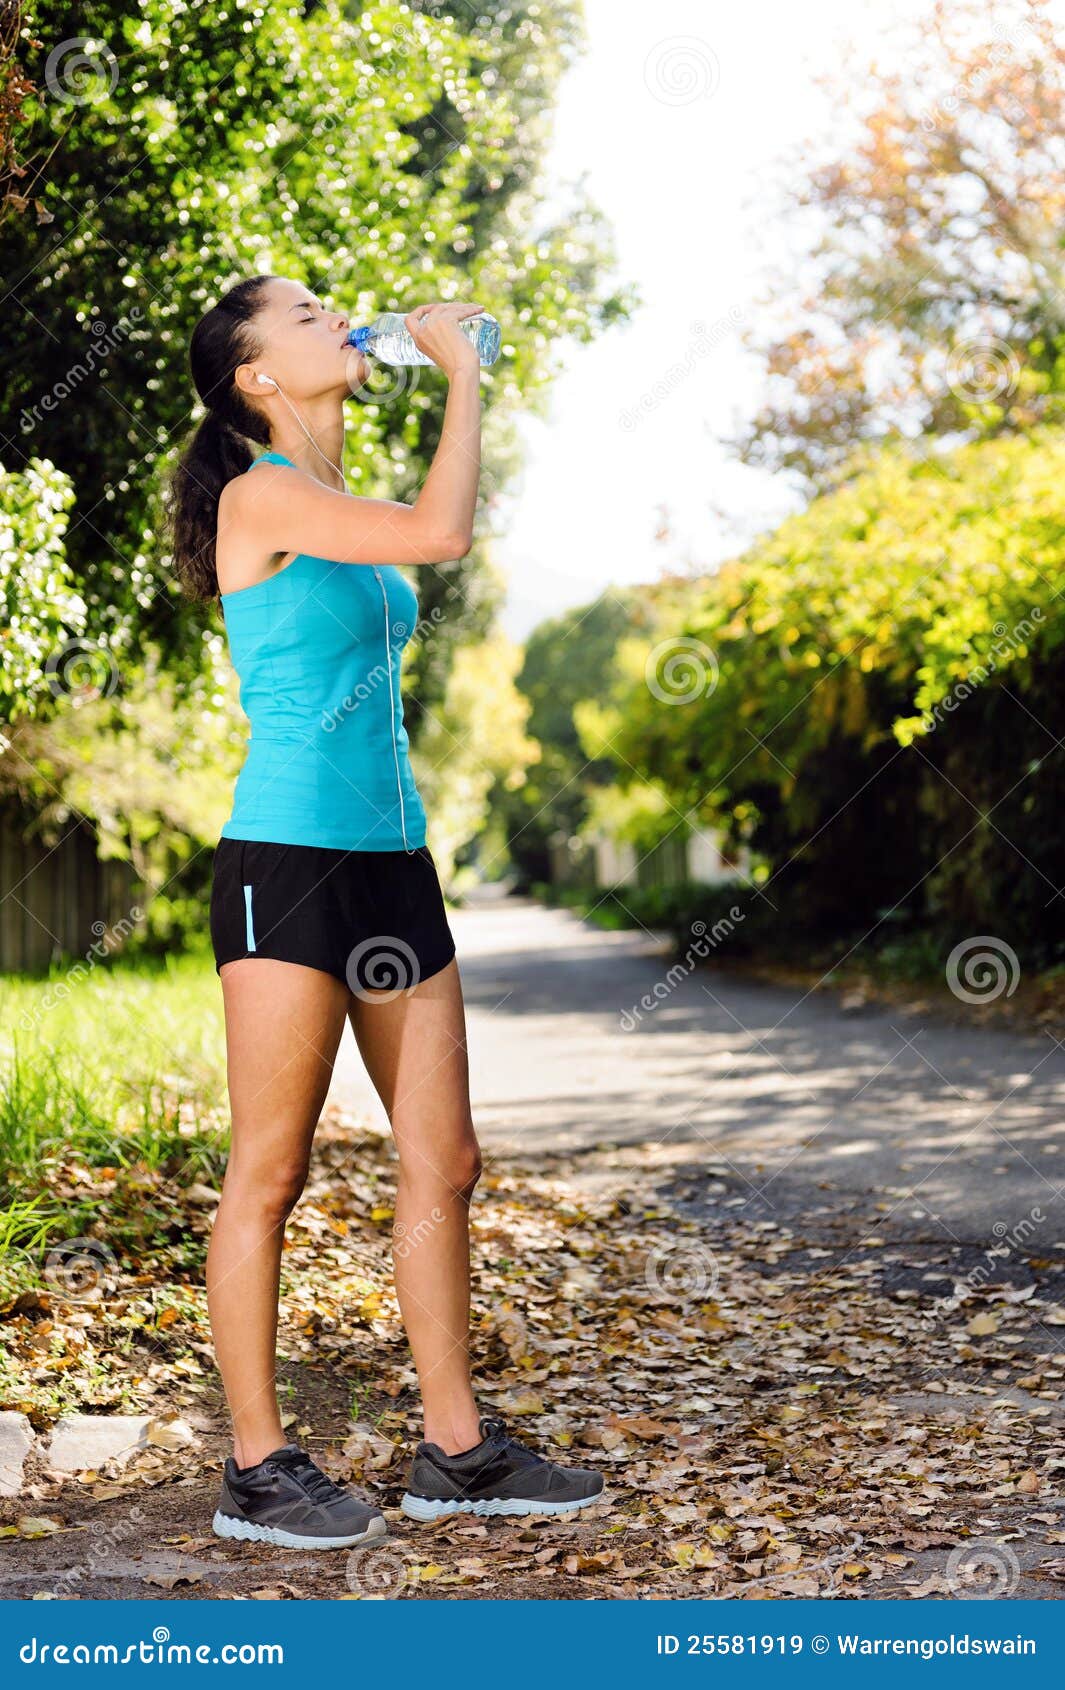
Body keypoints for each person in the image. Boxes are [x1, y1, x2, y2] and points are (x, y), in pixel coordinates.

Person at [166, 274, 603, 1548]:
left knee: (445, 1158)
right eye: (303, 315)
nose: (335, 320)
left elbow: (419, 532)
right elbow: (443, 533)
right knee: (272, 1169)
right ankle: (257, 1467)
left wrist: (450, 370)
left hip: (392, 863)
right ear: (256, 376)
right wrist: (463, 374)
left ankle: (455, 1452)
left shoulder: (335, 498)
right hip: (288, 859)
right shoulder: (260, 496)